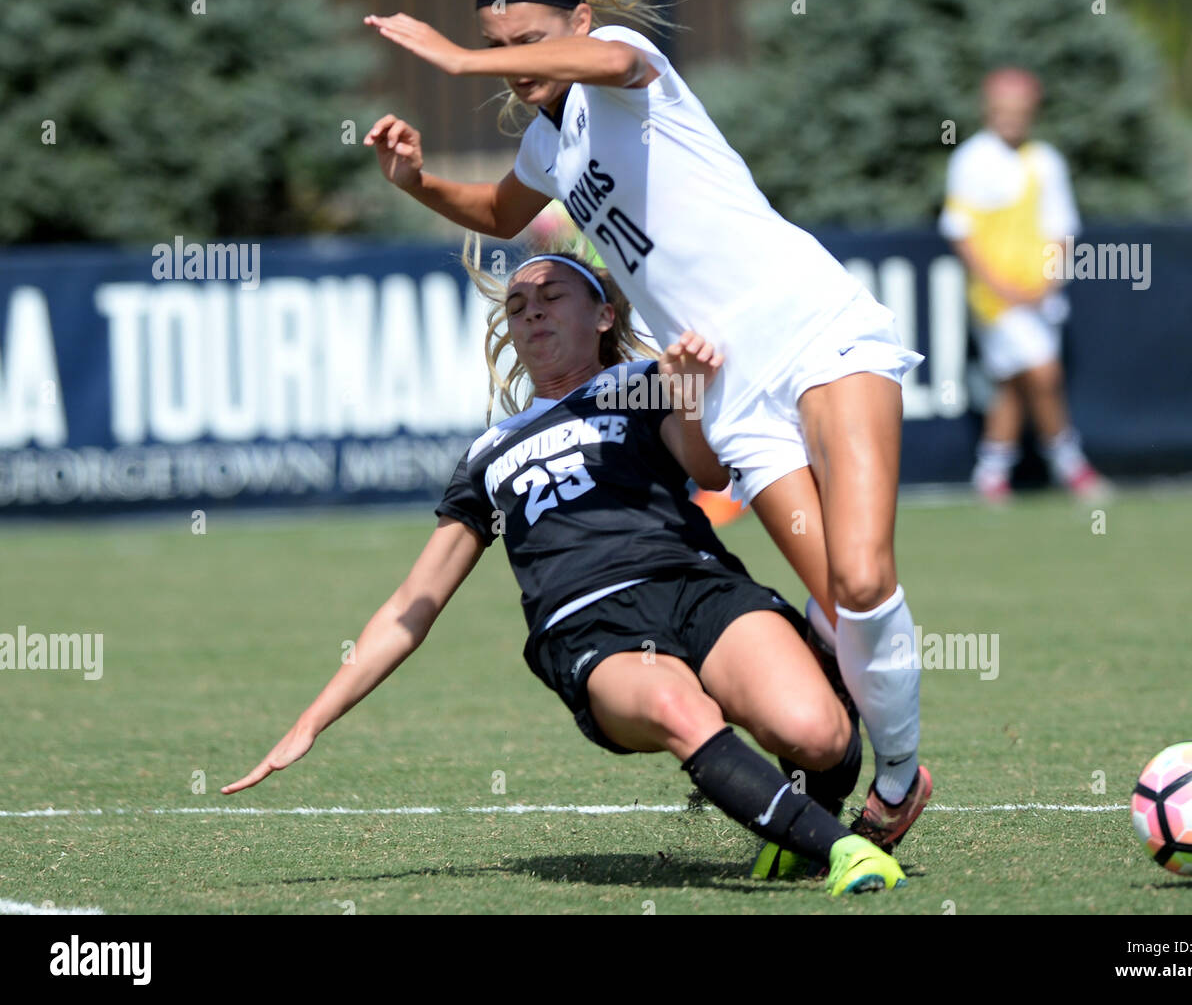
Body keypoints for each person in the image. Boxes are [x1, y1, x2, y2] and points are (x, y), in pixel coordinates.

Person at [360, 0, 933, 872]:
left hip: (811, 326)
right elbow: (501, 212)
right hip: (730, 385)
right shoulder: (549, 146)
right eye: (500, 47)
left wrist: (458, 61)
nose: (516, 63)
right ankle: (829, 757)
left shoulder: (623, 57)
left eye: (530, 43)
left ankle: (897, 777)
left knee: (867, 578)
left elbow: (616, 68)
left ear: (580, 23)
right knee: (834, 598)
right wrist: (416, 182)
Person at [223, 248, 906, 896]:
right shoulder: (490, 453)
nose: (532, 312)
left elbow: (708, 471)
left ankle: (813, 787)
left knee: (816, 735)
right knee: (677, 709)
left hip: (694, 584)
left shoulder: (643, 385)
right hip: (588, 625)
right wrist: (312, 719)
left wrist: (692, 395)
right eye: (517, 306)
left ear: (604, 314)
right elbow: (414, 604)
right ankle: (841, 849)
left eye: (552, 296)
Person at [939, 67, 1108, 504]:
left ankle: (991, 473)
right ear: (989, 110)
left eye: (1020, 110)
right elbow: (962, 233)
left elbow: (1061, 229)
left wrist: (1047, 284)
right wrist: (1003, 287)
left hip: (1041, 297)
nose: (1011, 118)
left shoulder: (1046, 160)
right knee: (1043, 372)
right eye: (1003, 110)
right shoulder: (971, 159)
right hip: (995, 300)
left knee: (1014, 383)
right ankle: (1071, 464)